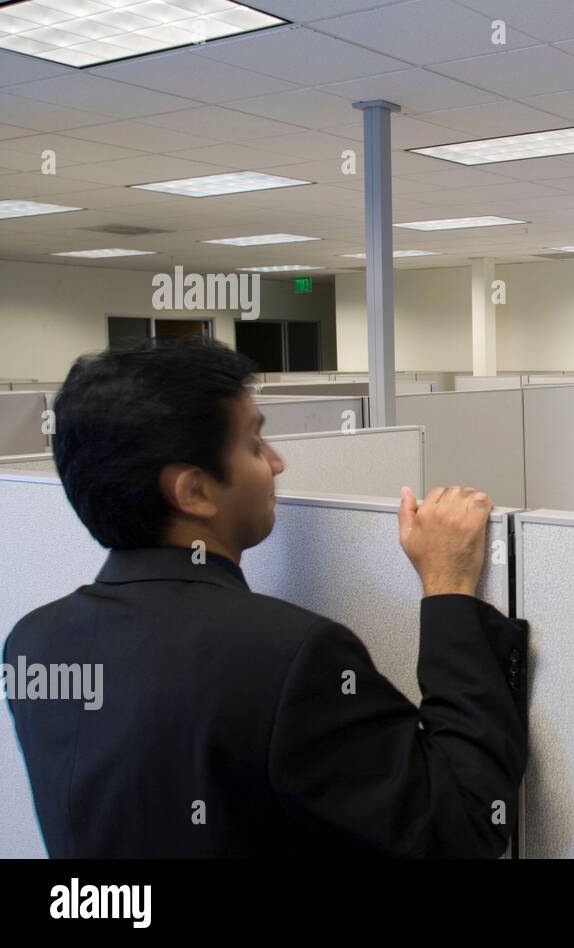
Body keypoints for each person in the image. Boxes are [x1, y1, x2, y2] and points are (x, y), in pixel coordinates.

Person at [4, 338, 527, 857]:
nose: (276, 463)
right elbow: (459, 824)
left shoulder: (34, 643)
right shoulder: (290, 656)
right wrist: (450, 589)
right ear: (194, 492)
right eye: (254, 444)